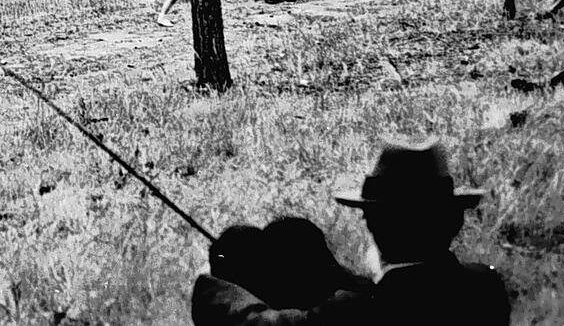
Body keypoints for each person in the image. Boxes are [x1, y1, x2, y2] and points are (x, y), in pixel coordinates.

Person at [192, 137, 508, 326]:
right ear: (453, 221)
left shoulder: (356, 312)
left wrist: (210, 280)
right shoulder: (485, 288)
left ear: (373, 224)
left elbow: (249, 324)